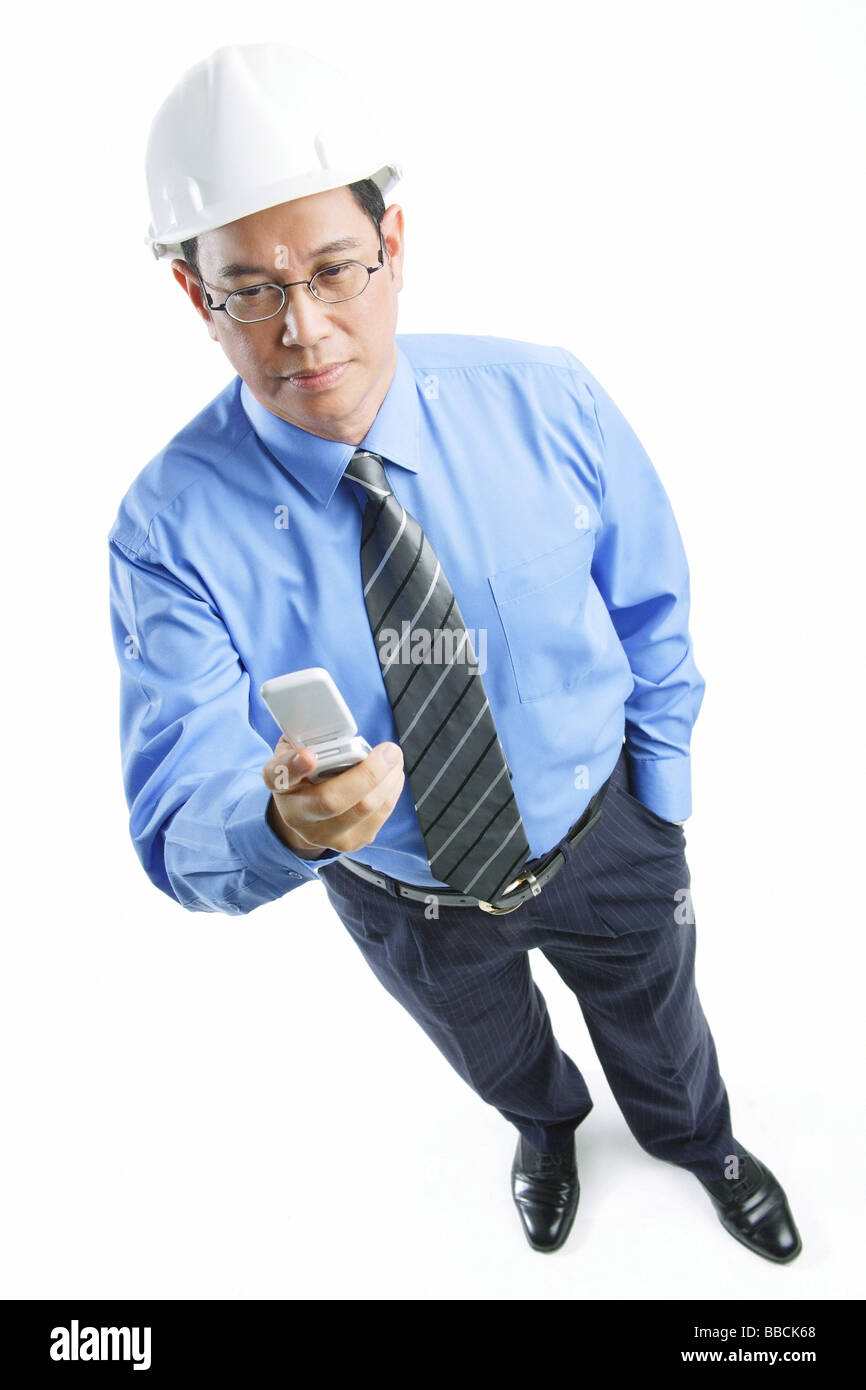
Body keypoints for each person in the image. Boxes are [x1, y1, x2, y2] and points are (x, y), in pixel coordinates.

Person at [109, 42, 802, 1262]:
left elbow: (652, 614)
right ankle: (543, 1130)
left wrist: (661, 804)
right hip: (406, 893)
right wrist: (289, 830)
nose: (305, 330)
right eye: (250, 292)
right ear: (193, 295)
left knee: (663, 1026)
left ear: (394, 245)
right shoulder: (167, 528)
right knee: (490, 1048)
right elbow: (177, 812)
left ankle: (698, 1143)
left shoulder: (548, 401)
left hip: (606, 837)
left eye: (334, 270)